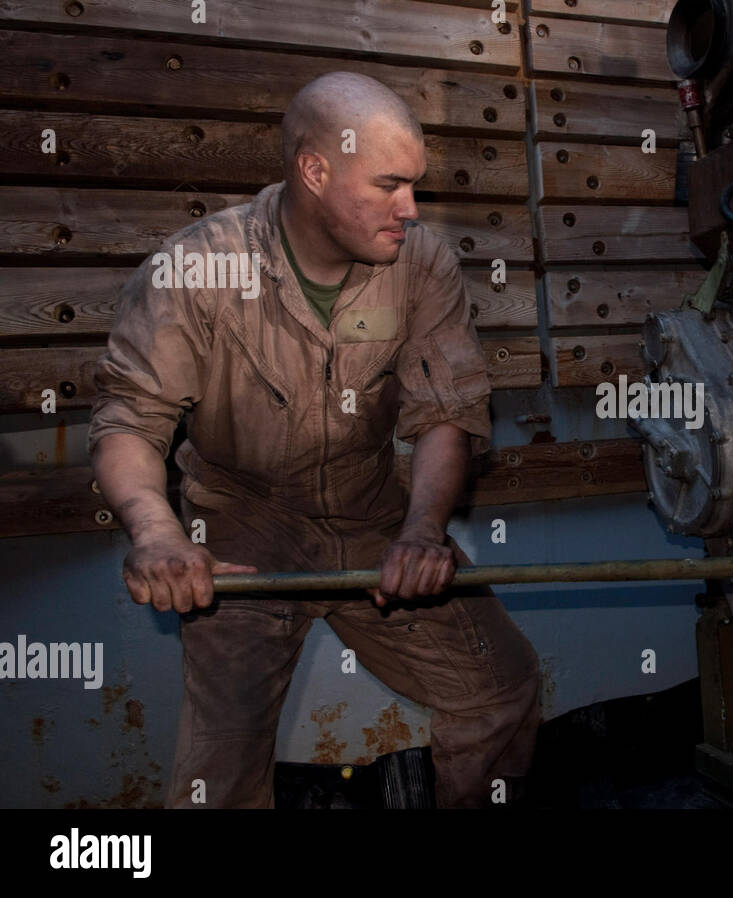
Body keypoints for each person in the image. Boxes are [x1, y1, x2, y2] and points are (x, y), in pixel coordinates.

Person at [87, 72, 541, 809]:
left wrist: (423, 532)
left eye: (415, 185)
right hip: (239, 534)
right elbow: (129, 419)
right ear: (315, 170)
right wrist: (159, 534)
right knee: (221, 776)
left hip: (373, 520)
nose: (410, 209)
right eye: (389, 185)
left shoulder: (421, 264)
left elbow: (445, 414)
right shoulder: (199, 269)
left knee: (503, 689)